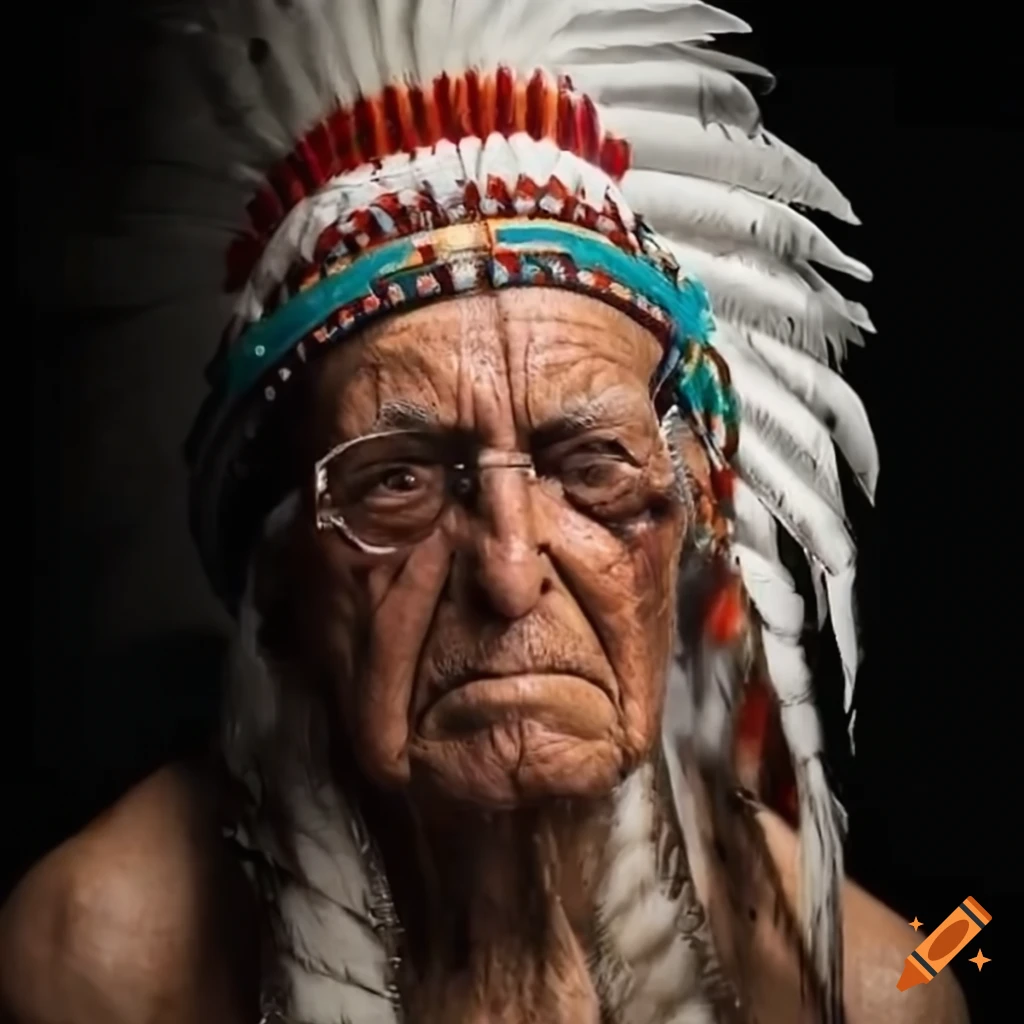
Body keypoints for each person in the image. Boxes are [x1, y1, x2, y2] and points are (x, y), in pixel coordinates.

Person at [2, 2, 969, 1022]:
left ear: (686, 529)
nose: (508, 573)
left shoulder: (867, 996)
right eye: (399, 481)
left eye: (591, 468)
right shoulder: (96, 968)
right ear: (280, 576)